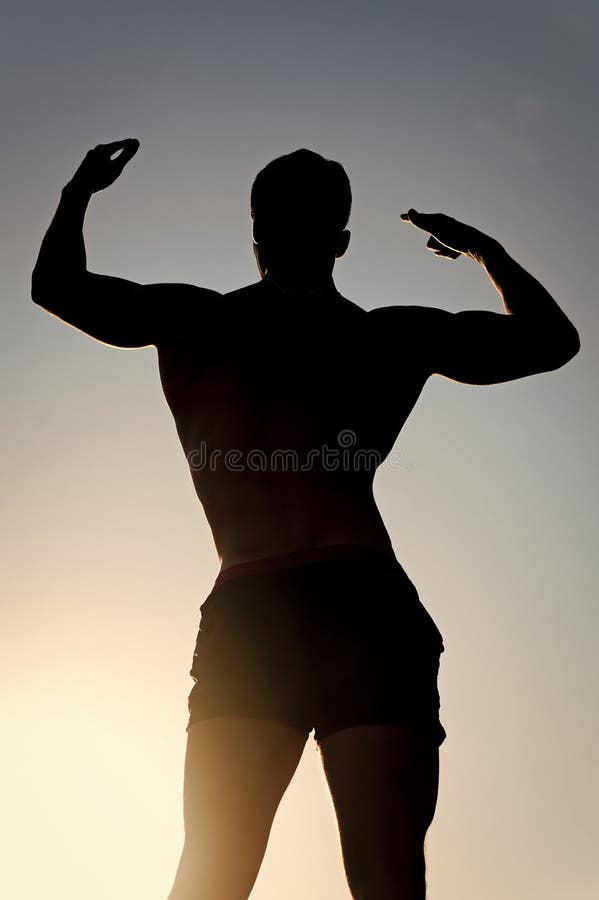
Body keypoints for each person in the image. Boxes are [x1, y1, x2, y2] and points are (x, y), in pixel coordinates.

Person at [32, 140, 580, 900]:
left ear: (254, 235)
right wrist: (482, 250)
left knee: (216, 872)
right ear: (341, 241)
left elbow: (56, 286)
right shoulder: (389, 336)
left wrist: (79, 192)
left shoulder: (192, 318)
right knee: (379, 875)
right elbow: (552, 340)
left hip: (268, 608)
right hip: (360, 605)